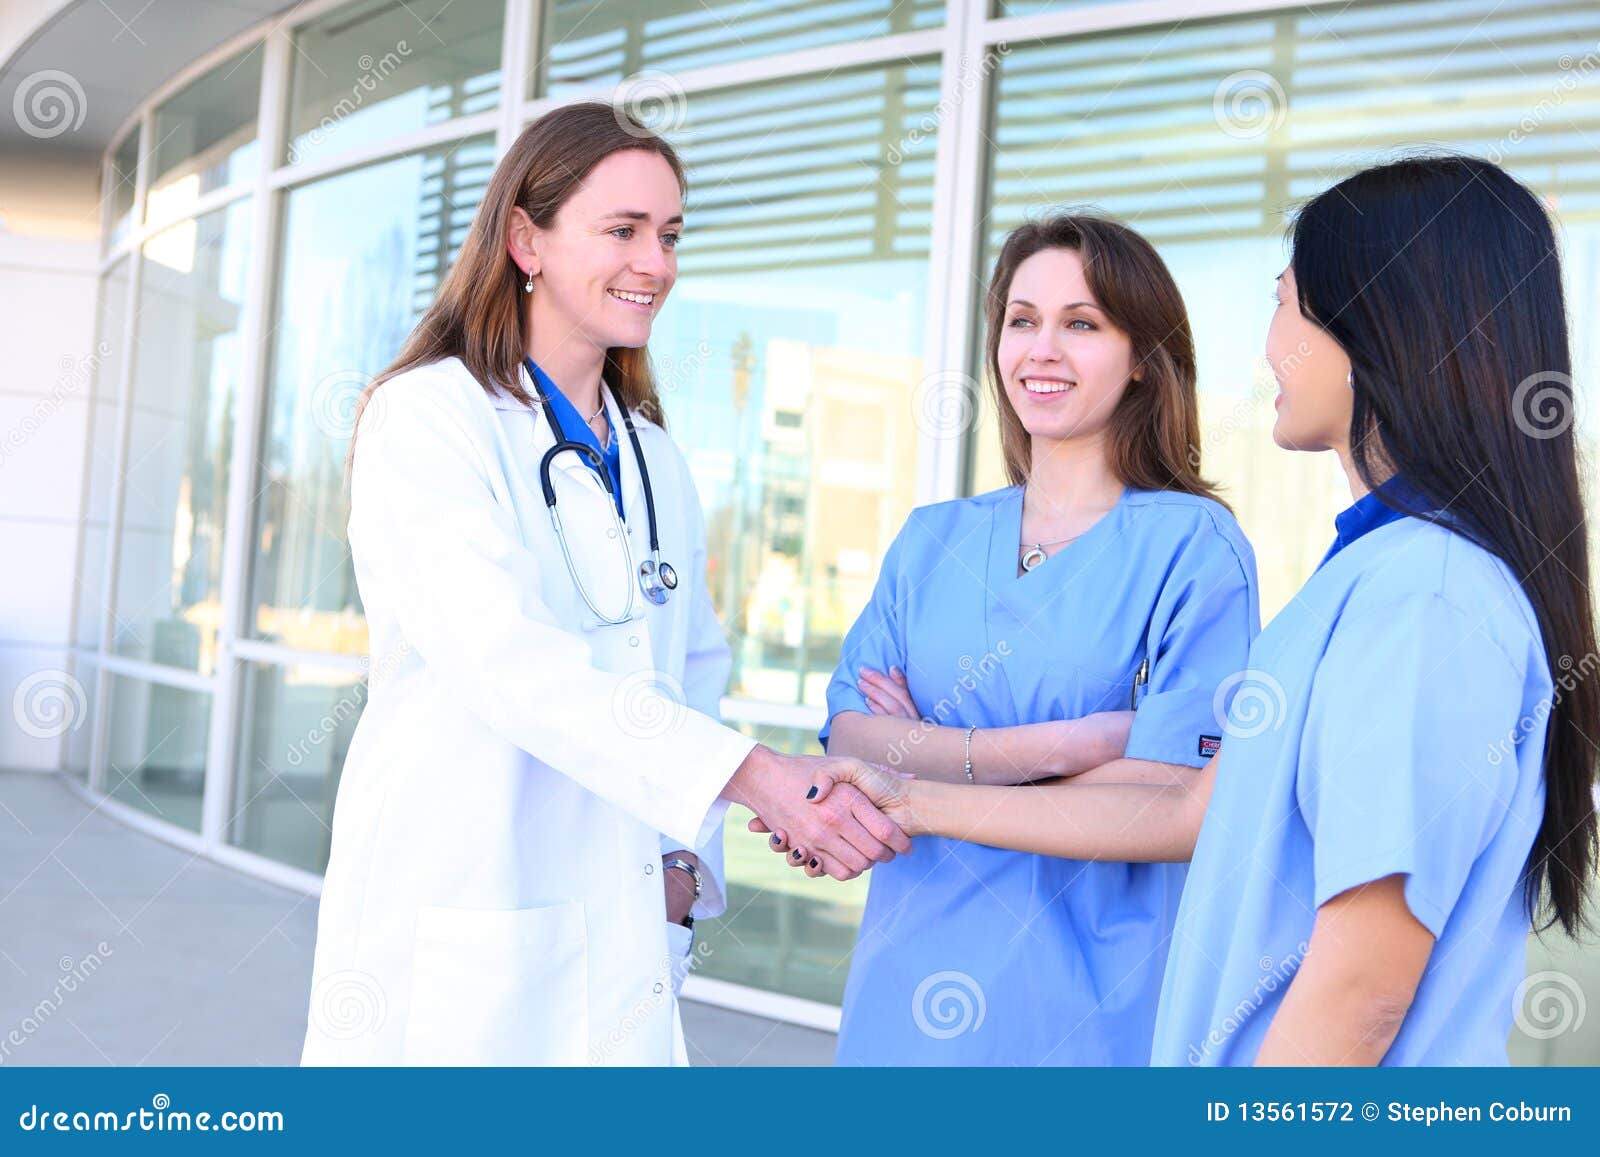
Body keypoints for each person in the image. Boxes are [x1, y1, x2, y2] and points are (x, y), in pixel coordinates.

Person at [777, 156, 1599, 1067]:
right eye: (1021, 320)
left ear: (1379, 319)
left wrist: (940, 758)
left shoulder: (1423, 595)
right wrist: (977, 772)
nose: (1266, 347)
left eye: (1286, 303)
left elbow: (1360, 979)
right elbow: (1197, 801)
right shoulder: (1374, 574)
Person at [300, 102, 908, 1068]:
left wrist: (682, 863)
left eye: (668, 236)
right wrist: (760, 780)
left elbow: (691, 663)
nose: (655, 263)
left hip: (625, 921)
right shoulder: (429, 418)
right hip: (467, 905)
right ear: (524, 238)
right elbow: (506, 662)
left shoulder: (655, 455)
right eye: (622, 230)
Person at [760, 215, 1260, 1065]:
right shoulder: (933, 538)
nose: (1043, 349)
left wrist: (928, 751)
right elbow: (851, 736)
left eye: (1082, 323)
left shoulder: (1194, 546)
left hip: (1083, 1012)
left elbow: (1173, 804)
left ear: (1142, 356)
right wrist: (1073, 743)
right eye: (1022, 320)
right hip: (904, 990)